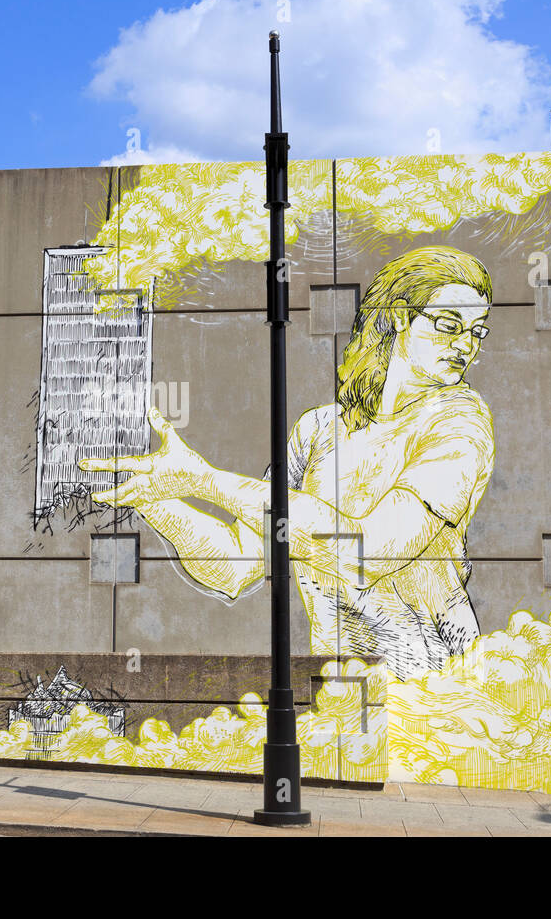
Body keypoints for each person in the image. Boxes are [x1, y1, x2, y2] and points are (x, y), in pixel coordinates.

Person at [81, 245, 496, 680]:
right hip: (344, 695)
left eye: (478, 332)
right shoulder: (318, 430)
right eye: (449, 326)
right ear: (397, 315)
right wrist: (150, 492)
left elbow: (368, 553)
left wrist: (204, 480)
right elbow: (231, 564)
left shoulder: (461, 421)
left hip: (443, 693)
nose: (466, 345)